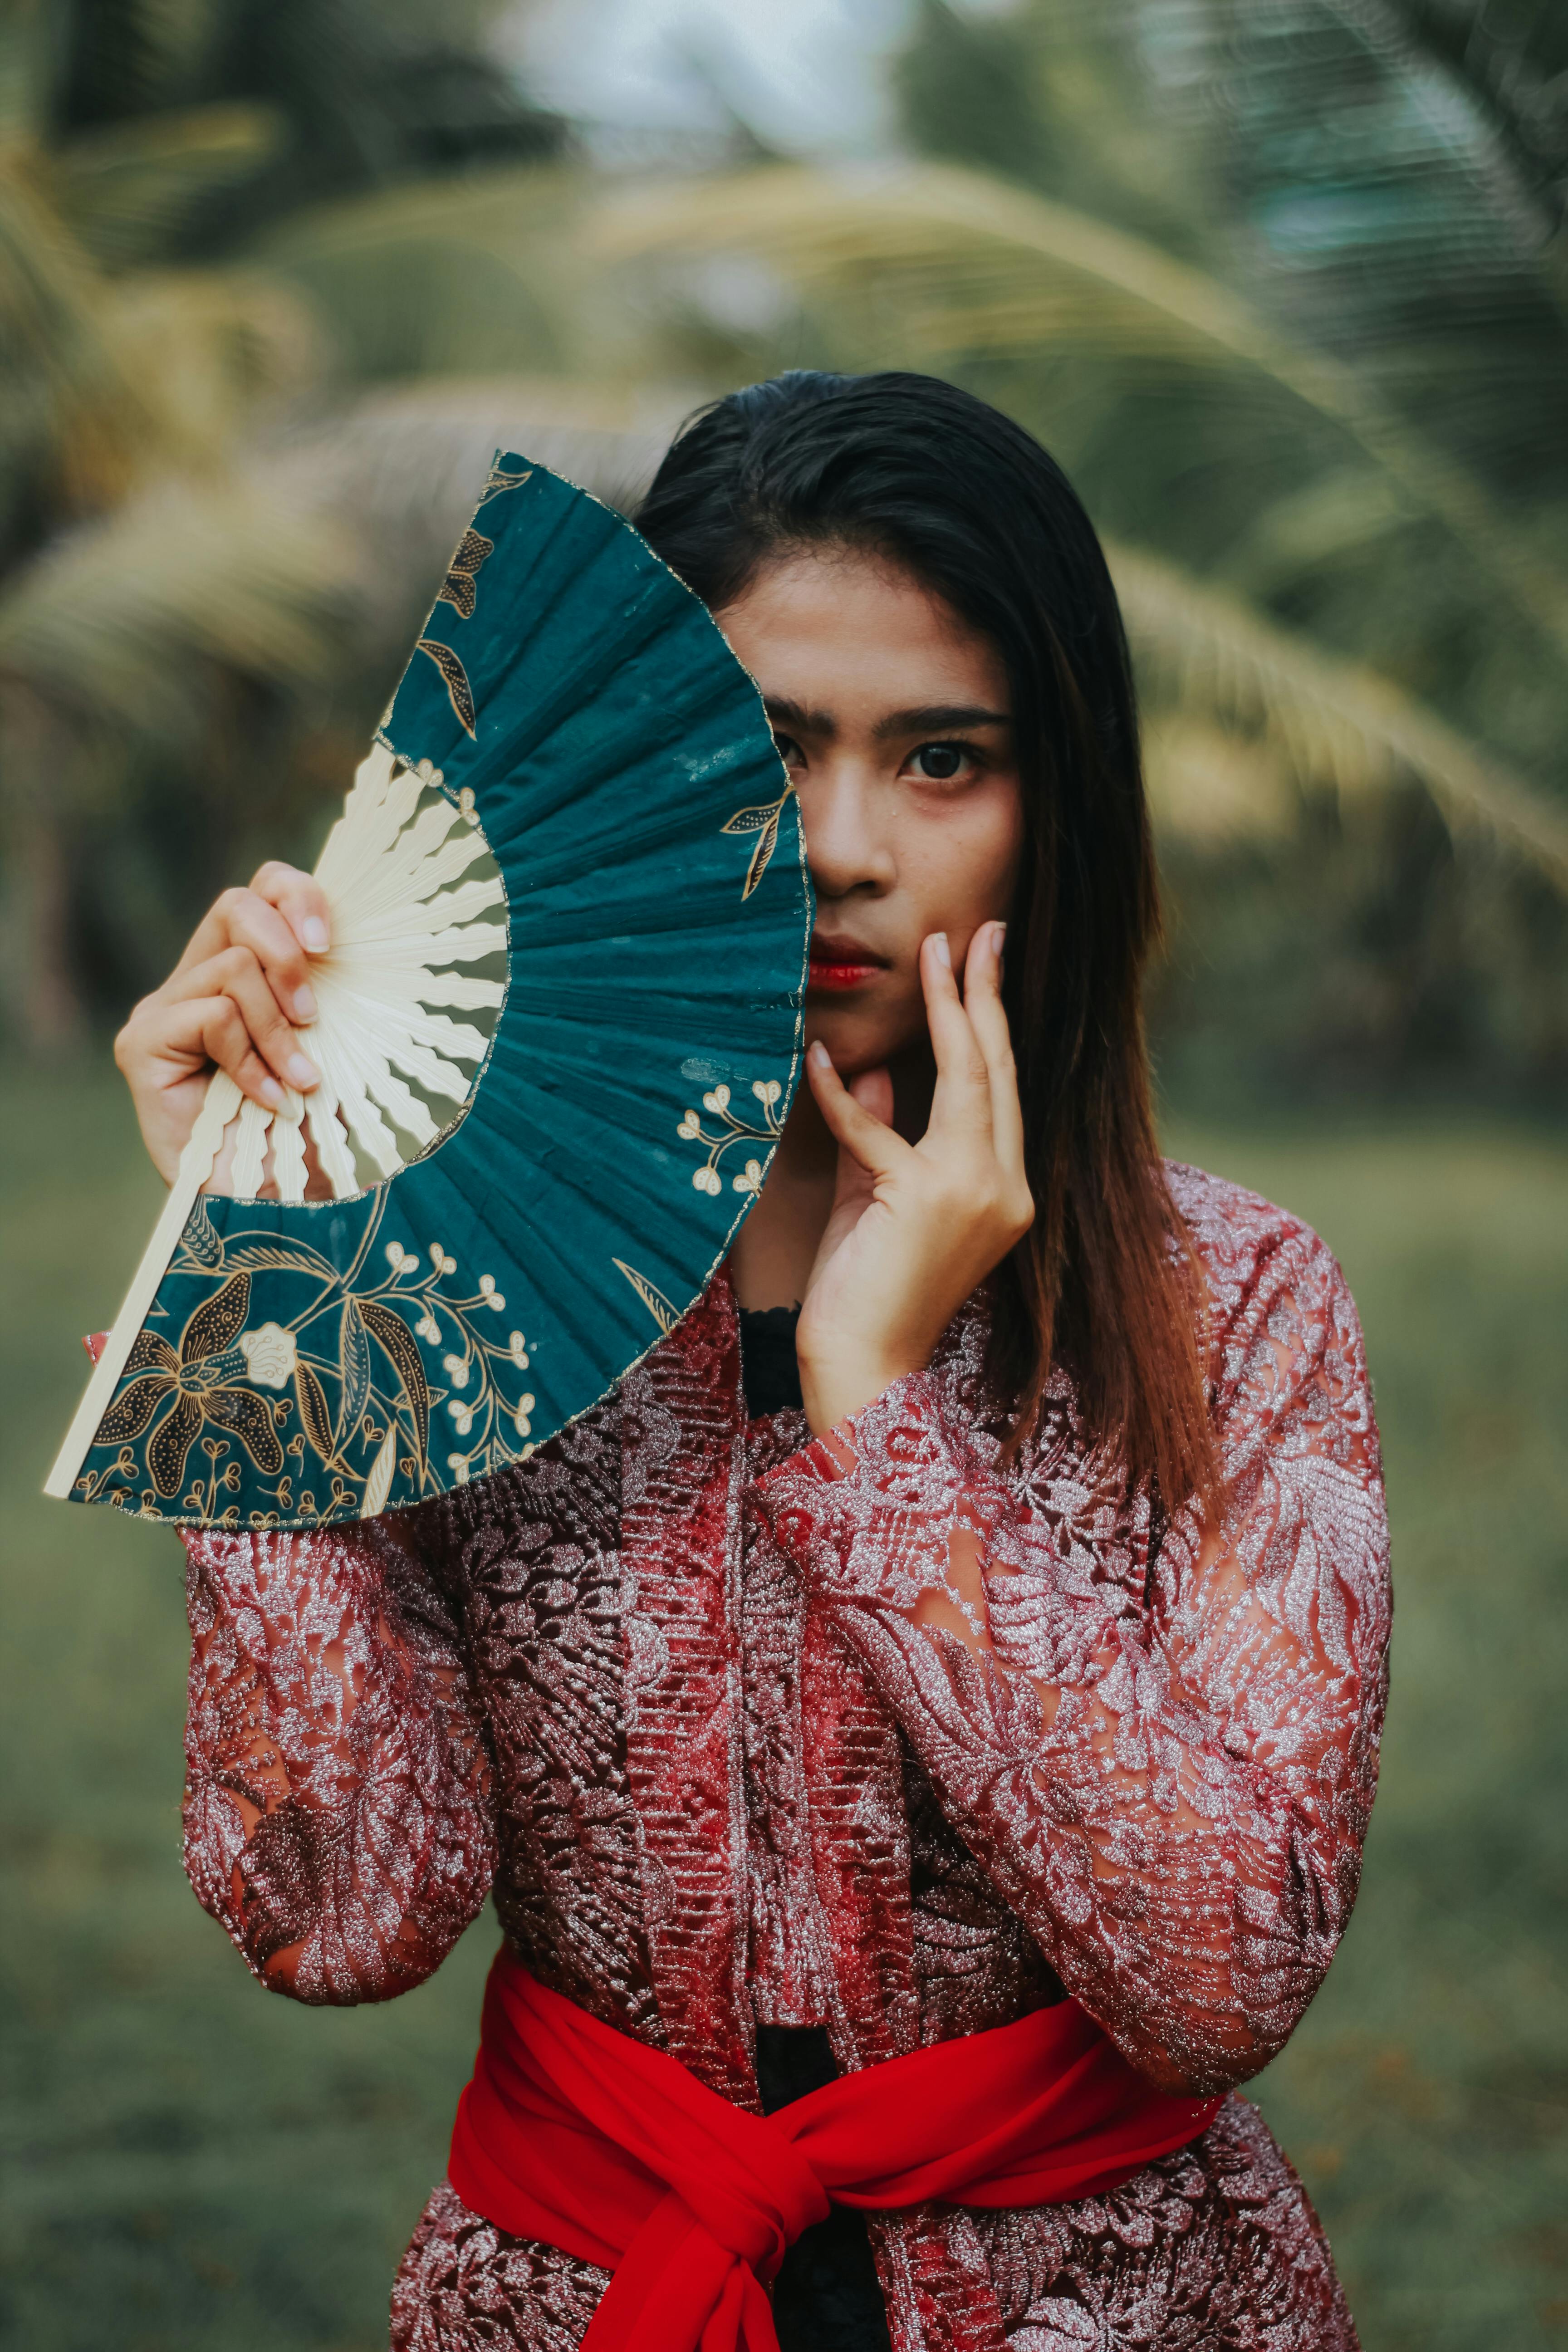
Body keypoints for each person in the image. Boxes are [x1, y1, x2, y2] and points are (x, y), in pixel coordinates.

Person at [113, 371, 1391, 2352]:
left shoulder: (1235, 1299)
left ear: (1060, 804)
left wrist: (874, 1405)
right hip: (582, 2275)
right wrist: (259, 1258)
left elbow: (1217, 1977)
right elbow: (343, 1914)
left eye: (945, 759)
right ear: (641, 758)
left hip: (1116, 2297)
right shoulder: (464, 1269)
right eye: (768, 747)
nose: (845, 845)